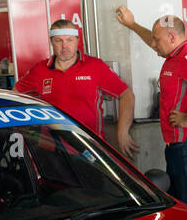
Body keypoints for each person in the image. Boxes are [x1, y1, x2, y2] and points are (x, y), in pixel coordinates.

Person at [113, 7, 187, 210]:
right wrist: (132, 24)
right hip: (177, 145)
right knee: (179, 207)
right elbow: (152, 39)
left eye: (157, 40)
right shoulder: (174, 53)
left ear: (171, 36)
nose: (153, 45)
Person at [15, 20, 139, 159]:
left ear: (78, 40)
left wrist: (122, 132)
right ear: (51, 41)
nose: (64, 46)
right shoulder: (39, 70)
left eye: (70, 40)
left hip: (90, 148)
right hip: (51, 150)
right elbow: (15, 95)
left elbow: (126, 95)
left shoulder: (95, 66)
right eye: (58, 40)